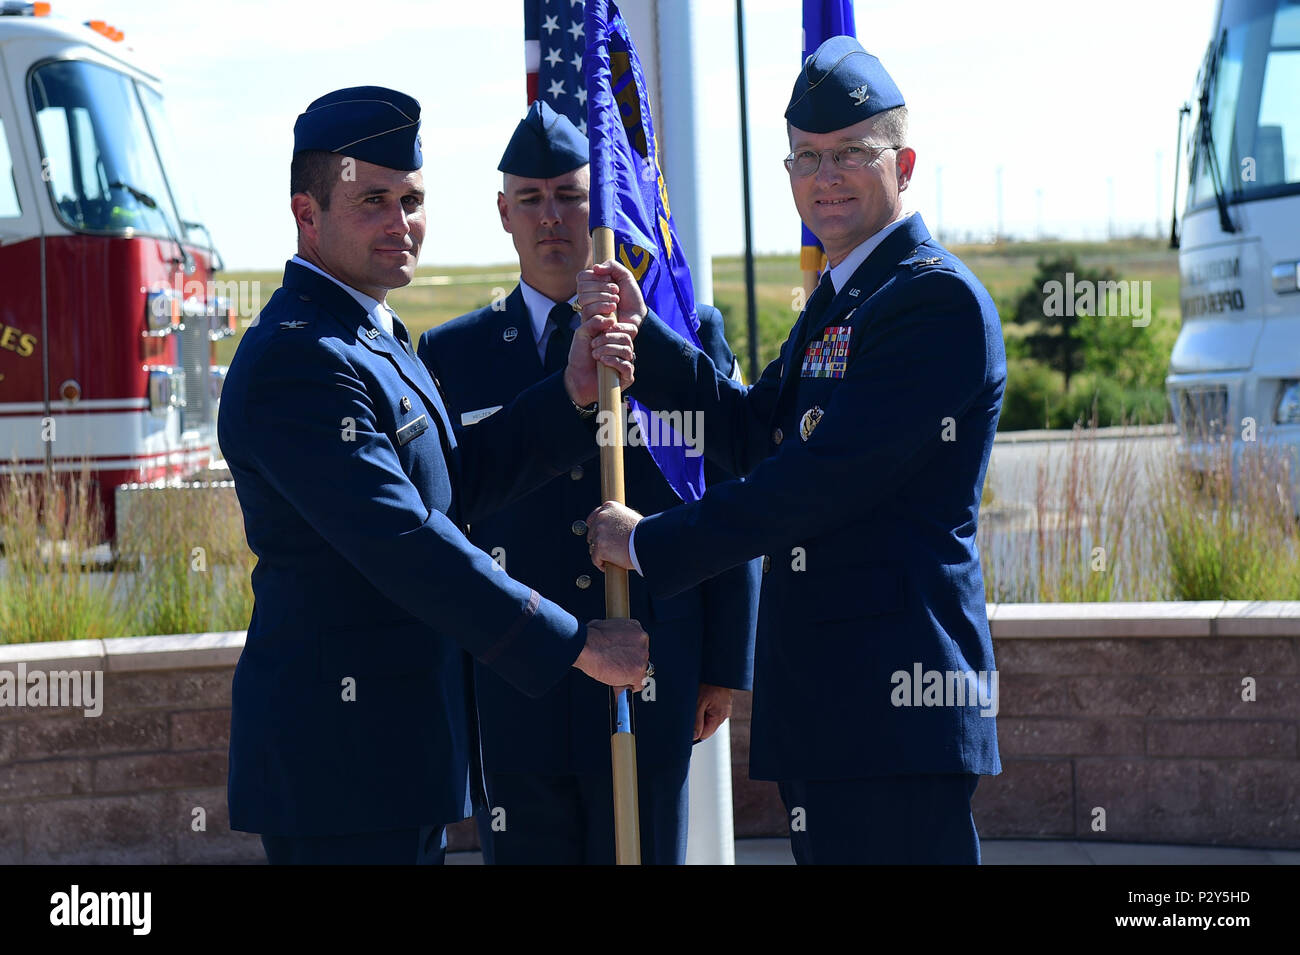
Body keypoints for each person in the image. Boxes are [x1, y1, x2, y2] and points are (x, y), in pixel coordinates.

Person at [581, 37, 1006, 865]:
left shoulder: (933, 300)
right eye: (806, 158)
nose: (827, 176)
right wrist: (644, 336)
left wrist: (645, 542)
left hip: (897, 703)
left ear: (905, 163)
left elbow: (815, 483)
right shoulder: (840, 300)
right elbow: (748, 433)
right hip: (830, 700)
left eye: (852, 153)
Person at [216, 86, 648, 866]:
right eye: (372, 200)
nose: (400, 222)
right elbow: (406, 541)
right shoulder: (301, 358)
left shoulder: (368, 334)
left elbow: (451, 486)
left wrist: (570, 394)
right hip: (340, 766)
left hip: (398, 754)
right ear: (306, 215)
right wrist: (577, 643)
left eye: (411, 199)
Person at [418, 101, 759, 865]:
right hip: (518, 675)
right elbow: (443, 522)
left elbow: (732, 492)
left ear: (598, 206)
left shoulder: (678, 333)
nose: (552, 219)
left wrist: (722, 663)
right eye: (531, 200)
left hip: (651, 664)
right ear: (503, 212)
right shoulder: (455, 353)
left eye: (571, 196)